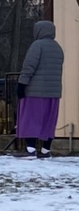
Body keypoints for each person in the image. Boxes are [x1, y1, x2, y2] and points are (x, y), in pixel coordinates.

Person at [17, 20, 65, 159]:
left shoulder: (37, 46)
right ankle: (45, 150)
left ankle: (30, 150)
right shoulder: (57, 48)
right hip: (53, 93)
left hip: (34, 92)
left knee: (31, 119)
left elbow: (29, 67)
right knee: (48, 121)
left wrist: (22, 84)